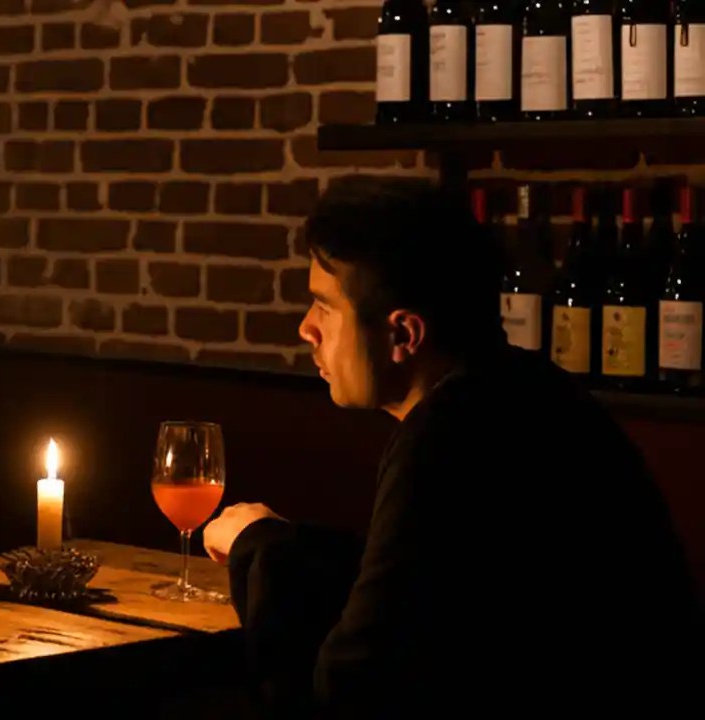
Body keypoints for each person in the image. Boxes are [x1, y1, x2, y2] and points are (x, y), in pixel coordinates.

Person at [204, 178, 702, 717]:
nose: (306, 329)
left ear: (405, 335)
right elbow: (423, 589)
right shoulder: (527, 390)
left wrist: (259, 550)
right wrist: (278, 542)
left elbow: (358, 681)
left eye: (325, 306)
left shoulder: (449, 437)